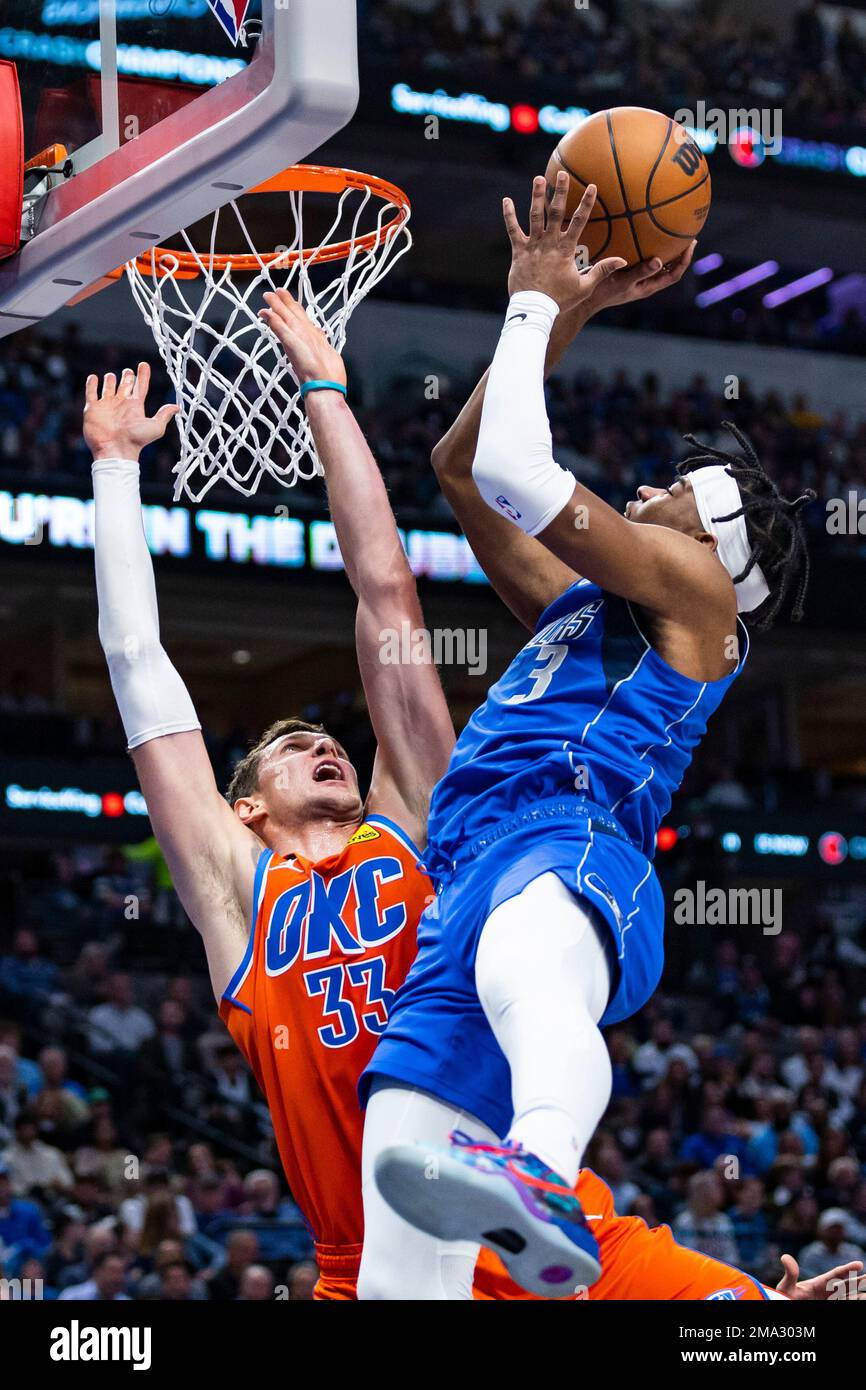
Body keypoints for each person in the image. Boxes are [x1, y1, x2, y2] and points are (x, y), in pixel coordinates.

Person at [362, 175, 814, 1297]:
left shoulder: (697, 598)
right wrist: (569, 311)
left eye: (674, 489)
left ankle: (542, 1178)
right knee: (394, 1173)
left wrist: (527, 306)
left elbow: (521, 470)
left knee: (527, 959)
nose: (651, 485)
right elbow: (463, 472)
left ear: (713, 544)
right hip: (463, 867)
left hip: (568, 843)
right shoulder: (593, 605)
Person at [83, 309, 454, 1299]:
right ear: (244, 807)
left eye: (328, 739)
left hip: (515, 1218)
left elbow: (384, 592)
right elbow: (134, 661)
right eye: (294, 749)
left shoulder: (403, 824)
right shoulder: (241, 891)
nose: (327, 744)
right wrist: (116, 467)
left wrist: (326, 389)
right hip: (362, 1260)